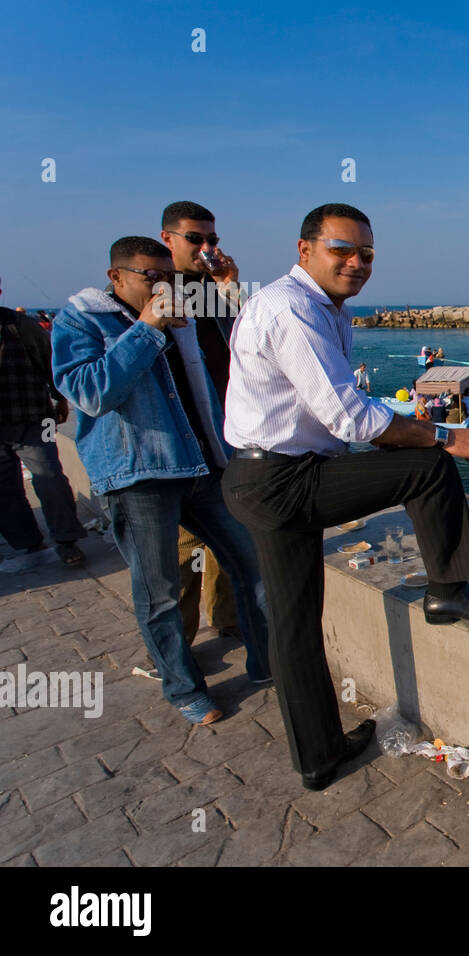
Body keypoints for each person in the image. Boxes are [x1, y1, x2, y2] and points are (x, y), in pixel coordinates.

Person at [221, 203, 469, 791]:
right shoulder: (292, 310)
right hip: (283, 481)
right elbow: (349, 417)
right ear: (304, 249)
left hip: (256, 477)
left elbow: (336, 413)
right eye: (342, 249)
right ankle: (448, 592)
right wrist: (445, 436)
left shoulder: (320, 308)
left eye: (366, 253)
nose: (357, 262)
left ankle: (318, 758)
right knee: (427, 467)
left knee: (293, 624)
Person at [51, 236, 272, 726]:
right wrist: (148, 328)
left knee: (252, 563)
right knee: (160, 590)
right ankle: (183, 688)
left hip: (205, 463)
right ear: (117, 277)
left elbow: (246, 349)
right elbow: (90, 393)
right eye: (150, 276)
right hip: (140, 475)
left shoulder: (186, 312)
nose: (162, 285)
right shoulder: (81, 320)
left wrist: (229, 290)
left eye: (167, 276)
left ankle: (266, 662)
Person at [160, 201, 241, 654]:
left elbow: (256, 334)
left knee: (228, 538)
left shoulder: (213, 289)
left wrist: (230, 286)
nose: (208, 247)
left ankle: (228, 621)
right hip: (183, 436)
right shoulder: (154, 289)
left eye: (213, 239)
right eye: (197, 239)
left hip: (226, 430)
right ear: (167, 238)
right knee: (184, 550)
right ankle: (180, 647)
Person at [0, 299, 87, 571]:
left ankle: (66, 539)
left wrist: (60, 399)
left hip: (33, 418)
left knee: (50, 477)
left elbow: (50, 362)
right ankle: (29, 541)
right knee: (5, 489)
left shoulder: (19, 325)